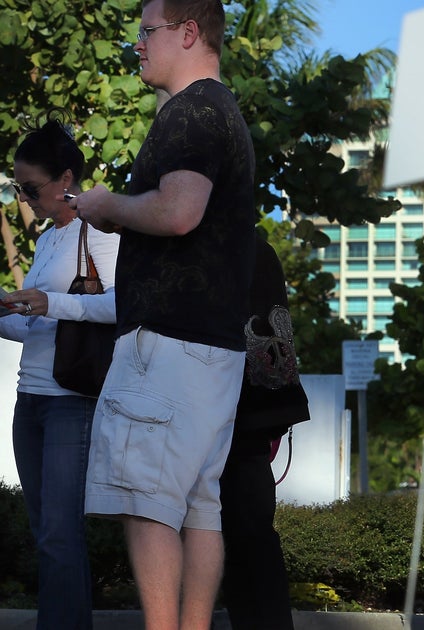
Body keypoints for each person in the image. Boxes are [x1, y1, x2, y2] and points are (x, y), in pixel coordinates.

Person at [72, 2, 258, 628]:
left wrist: (108, 205)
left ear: (188, 32)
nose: (138, 45)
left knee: (148, 505)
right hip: (212, 348)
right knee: (200, 508)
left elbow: (179, 212)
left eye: (146, 31)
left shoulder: (191, 109)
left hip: (167, 342)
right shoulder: (222, 110)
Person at [2, 114, 120, 630]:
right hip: (31, 400)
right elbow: (45, 328)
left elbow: (122, 305)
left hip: (72, 400)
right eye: (16, 188)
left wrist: (47, 302)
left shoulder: (100, 232)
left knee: (58, 534)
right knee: (44, 531)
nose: (23, 198)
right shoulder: (50, 239)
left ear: (66, 180)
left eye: (29, 187)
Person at [219, 237, 310, 630]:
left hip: (236, 409)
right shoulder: (255, 246)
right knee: (248, 534)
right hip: (254, 409)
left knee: (242, 535)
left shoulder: (235, 248)